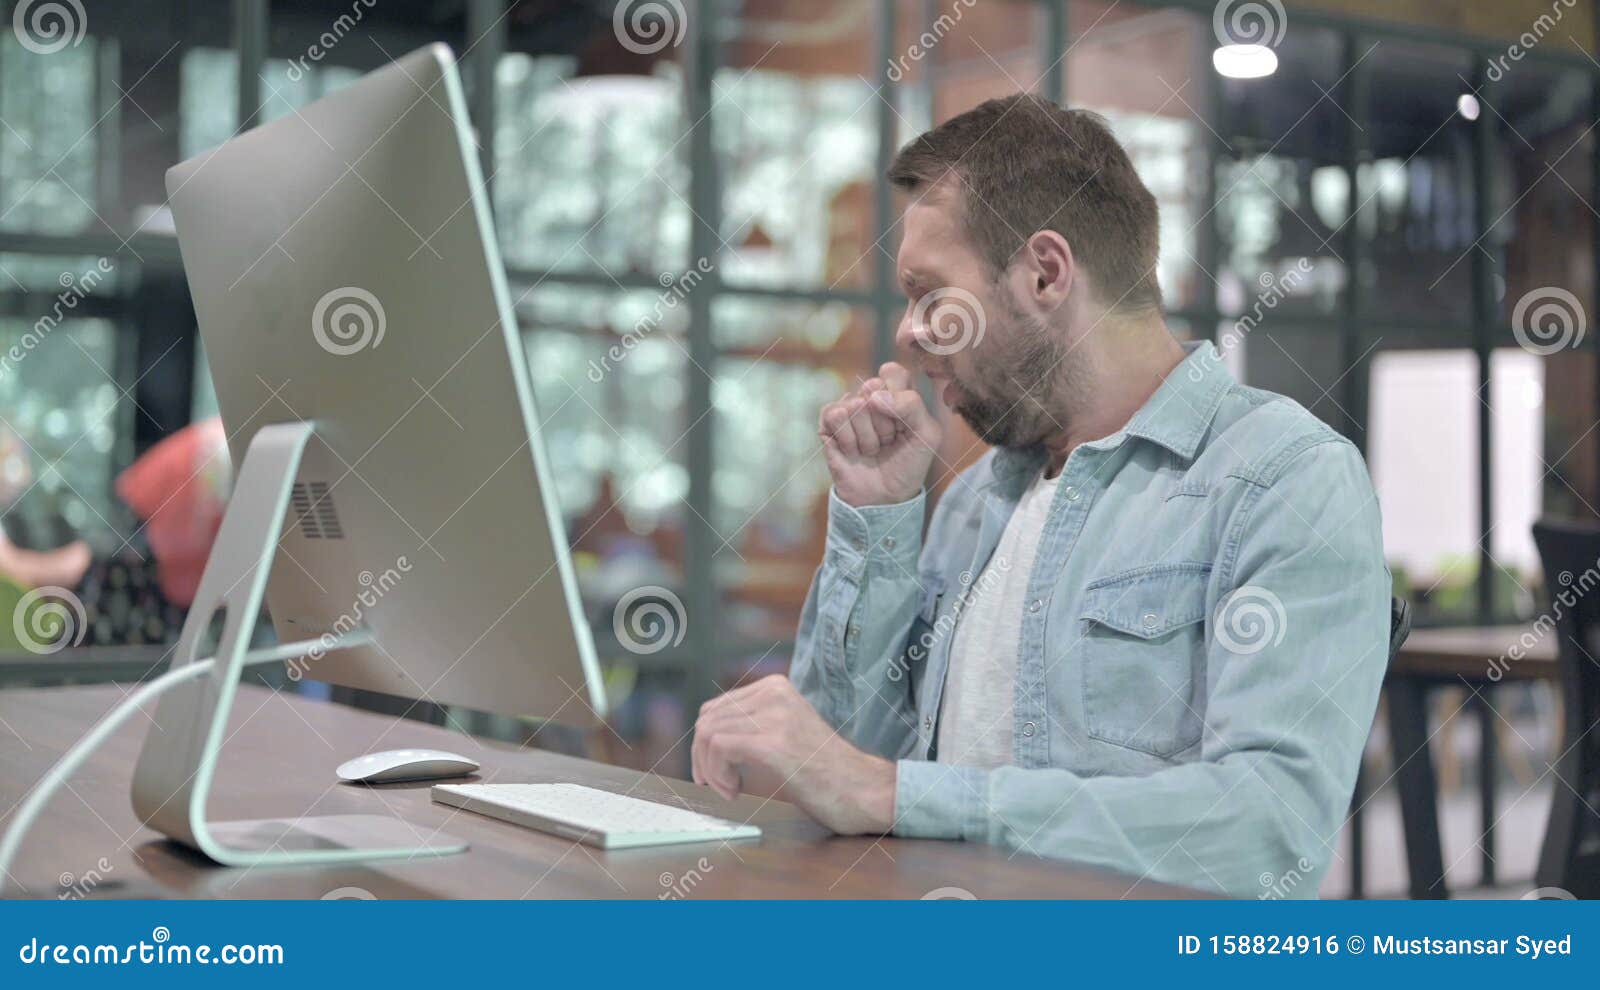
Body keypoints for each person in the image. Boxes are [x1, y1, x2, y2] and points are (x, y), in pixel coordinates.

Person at [690, 93, 1390, 897]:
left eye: (929, 294)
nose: (907, 335)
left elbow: (1271, 832)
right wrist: (878, 521)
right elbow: (838, 775)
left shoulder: (1284, 478)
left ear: (1045, 273)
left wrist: (895, 792)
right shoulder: (973, 501)